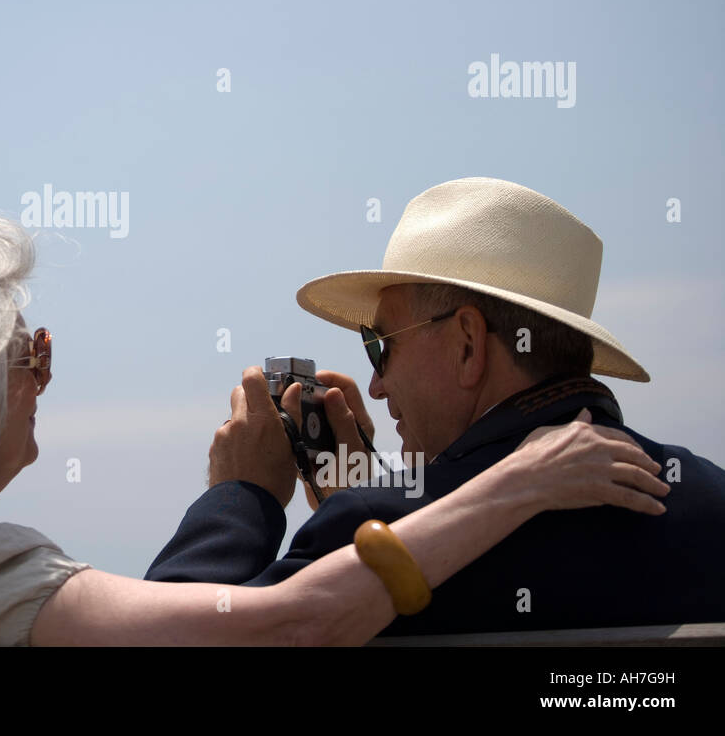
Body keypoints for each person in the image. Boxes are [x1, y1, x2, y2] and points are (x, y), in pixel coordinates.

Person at [0, 206, 669, 646]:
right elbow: (294, 624)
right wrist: (523, 479)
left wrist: (286, 498)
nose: (44, 374)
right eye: (24, 354)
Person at [146, 177, 725, 634]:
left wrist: (240, 495)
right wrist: (355, 495)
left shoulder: (370, 536)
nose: (376, 387)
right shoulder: (712, 503)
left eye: (380, 344)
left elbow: (166, 642)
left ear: (468, 345)